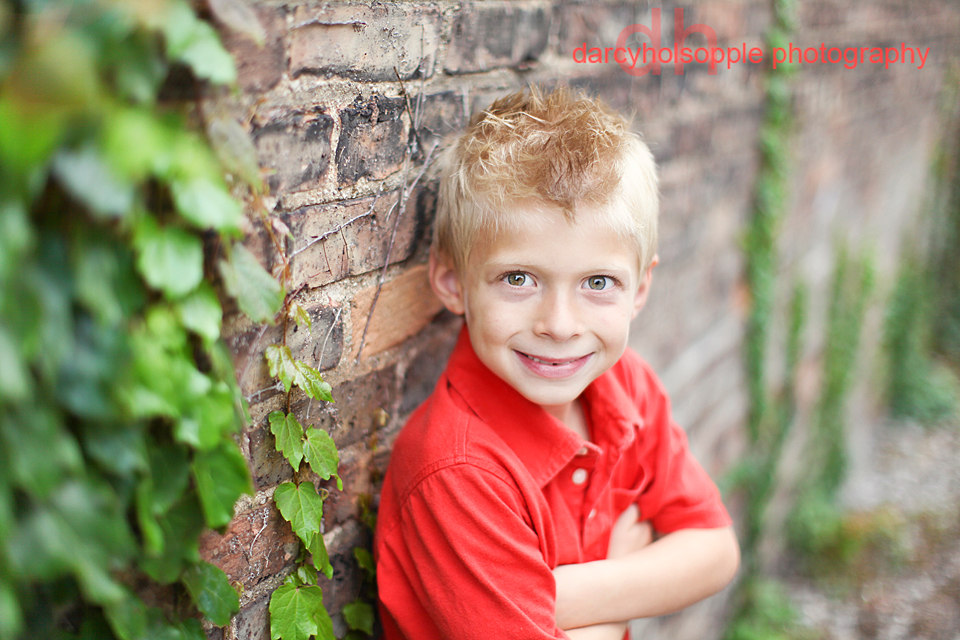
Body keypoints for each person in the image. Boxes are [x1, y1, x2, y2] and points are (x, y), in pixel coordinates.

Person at [374, 86, 740, 640]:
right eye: (518, 278)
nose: (560, 323)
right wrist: (628, 585)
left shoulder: (626, 386)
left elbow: (715, 550)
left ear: (640, 289)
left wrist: (567, 593)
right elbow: (687, 554)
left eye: (598, 282)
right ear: (453, 283)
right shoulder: (456, 471)